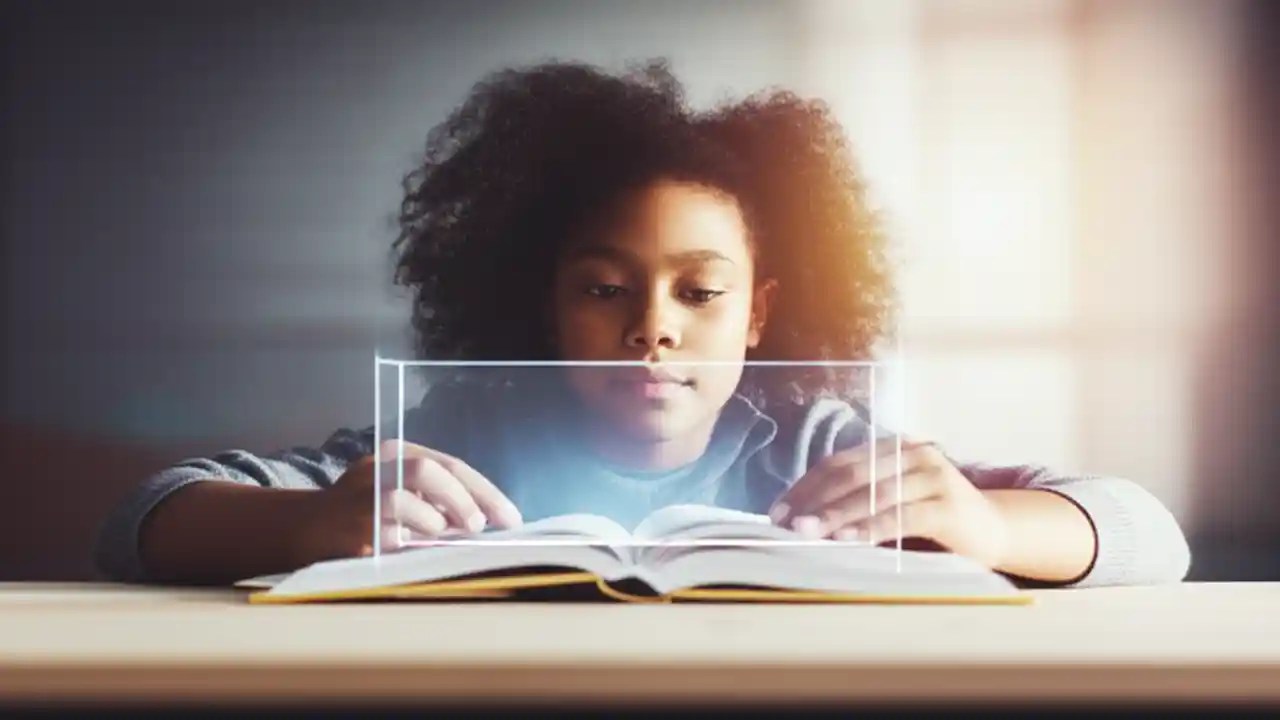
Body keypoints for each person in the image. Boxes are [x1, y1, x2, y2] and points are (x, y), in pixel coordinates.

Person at [93, 59, 1190, 588]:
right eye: (603, 289)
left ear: (759, 314)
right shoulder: (457, 432)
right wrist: (306, 526)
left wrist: (990, 529)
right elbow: (144, 515)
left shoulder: (818, 445)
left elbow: (1150, 533)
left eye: (699, 293)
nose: (651, 331)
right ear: (543, 301)